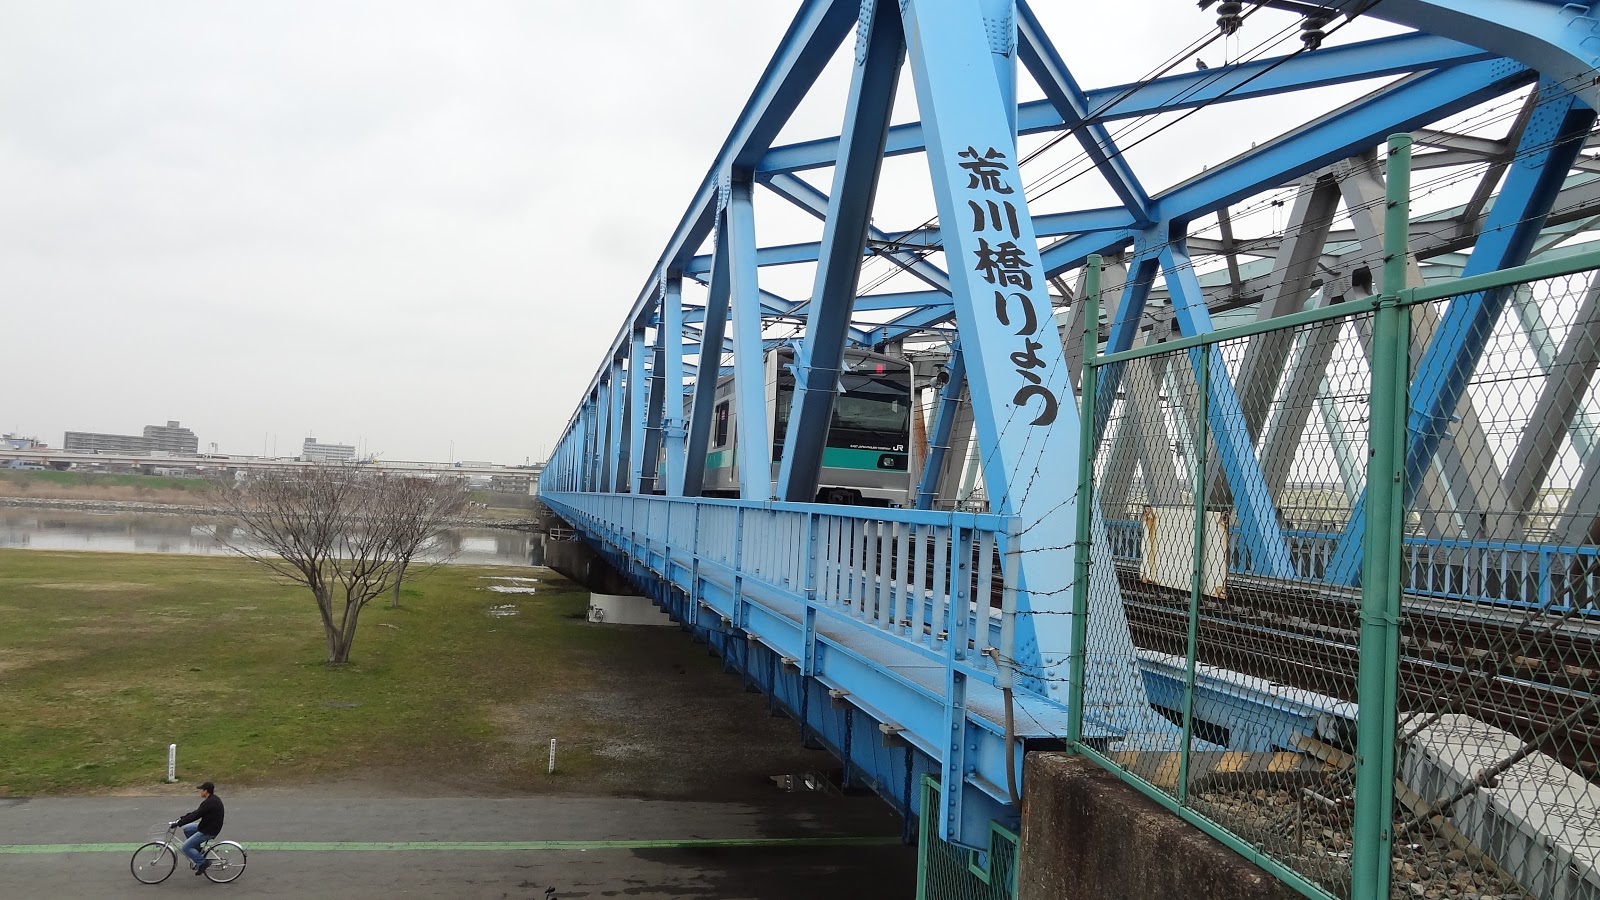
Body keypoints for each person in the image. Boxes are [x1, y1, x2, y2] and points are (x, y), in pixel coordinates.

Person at [168, 781, 225, 876]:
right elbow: (197, 812)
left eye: (201, 790)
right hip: (207, 825)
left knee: (185, 847)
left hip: (208, 830)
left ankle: (202, 863)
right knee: (187, 829)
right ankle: (198, 851)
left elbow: (196, 816)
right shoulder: (212, 800)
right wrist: (182, 819)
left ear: (206, 791)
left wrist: (179, 823)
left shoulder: (209, 803)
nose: (200, 792)